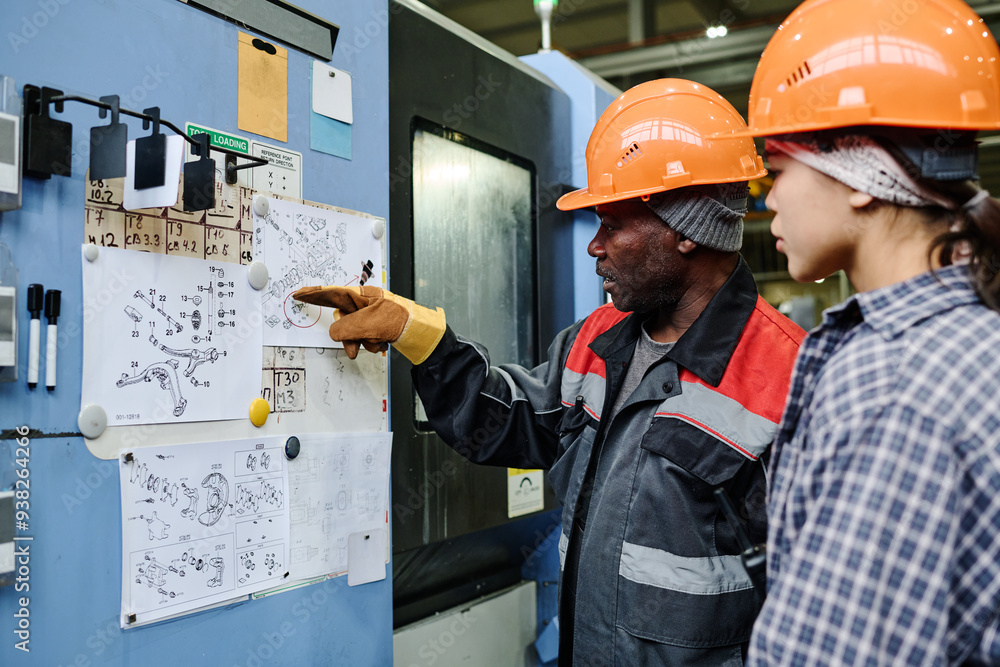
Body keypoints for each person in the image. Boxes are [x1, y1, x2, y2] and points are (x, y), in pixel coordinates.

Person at [294, 79, 805, 665]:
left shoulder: (789, 378)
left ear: (685, 229)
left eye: (611, 223)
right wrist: (419, 334)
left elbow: (821, 610)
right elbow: (506, 420)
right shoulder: (597, 341)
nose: (595, 247)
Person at [726, 0, 1000, 663]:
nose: (767, 200)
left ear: (856, 171)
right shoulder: (970, 340)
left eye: (777, 168)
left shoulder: (897, 385)